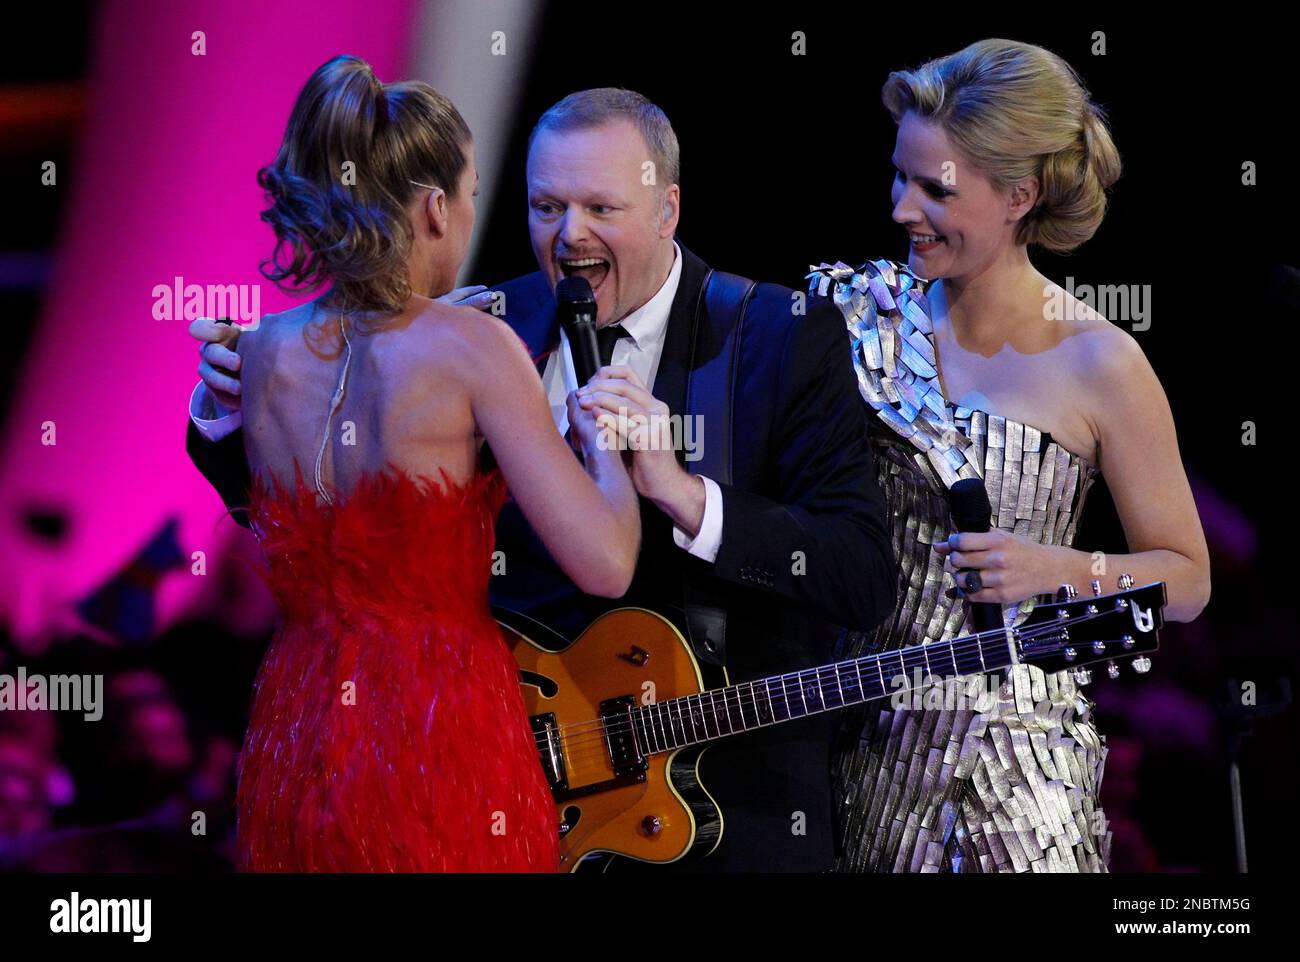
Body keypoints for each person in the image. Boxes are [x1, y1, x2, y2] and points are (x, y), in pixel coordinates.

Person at [190, 87, 897, 873]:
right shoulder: (483, 326)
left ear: (667, 209)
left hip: (722, 817)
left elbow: (861, 575)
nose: (571, 235)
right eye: (545, 206)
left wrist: (685, 496)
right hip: (486, 782)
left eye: (601, 207)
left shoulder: (778, 334)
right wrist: (219, 418)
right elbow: (345, 520)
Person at [203, 55, 642, 872]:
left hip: (295, 735)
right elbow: (608, 564)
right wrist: (604, 441)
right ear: (437, 208)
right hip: (439, 730)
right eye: (474, 194)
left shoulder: (260, 351)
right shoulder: (474, 348)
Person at [810, 39, 1211, 872]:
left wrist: (1051, 568)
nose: (901, 209)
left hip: (1019, 770)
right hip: (866, 750)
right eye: (899, 176)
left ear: (1019, 196)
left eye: (934, 189)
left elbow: (1188, 578)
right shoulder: (857, 324)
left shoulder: (1102, 362)